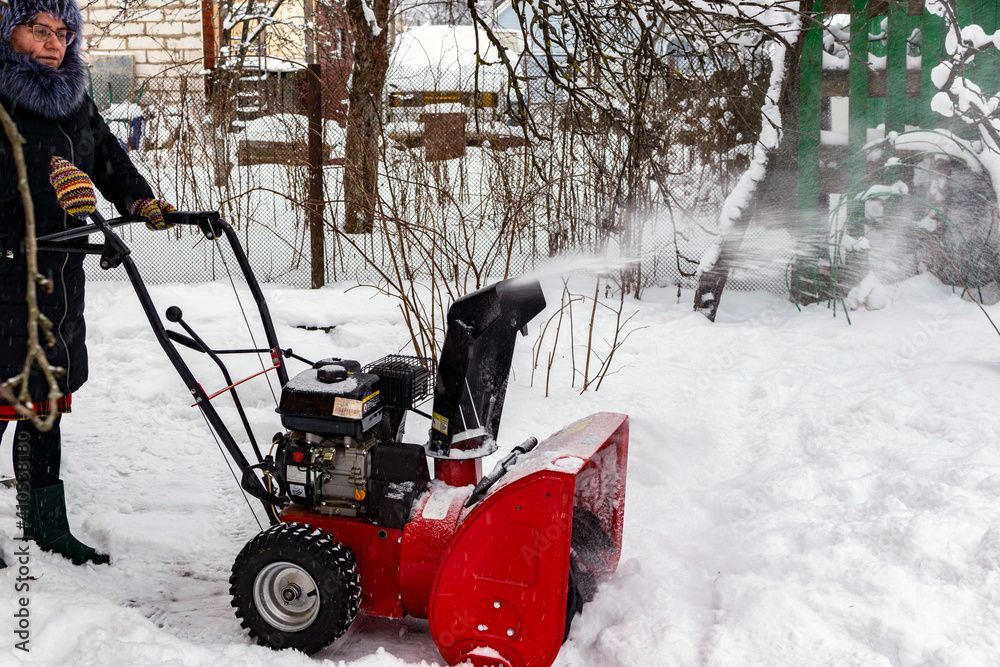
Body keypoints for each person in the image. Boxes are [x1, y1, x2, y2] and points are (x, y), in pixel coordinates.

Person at [0, 0, 175, 567]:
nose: (54, 42)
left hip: (58, 275)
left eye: (63, 32)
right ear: (11, 32)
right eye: (39, 30)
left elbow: (109, 158)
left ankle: (48, 527)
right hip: (4, 273)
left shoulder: (74, 97)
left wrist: (139, 199)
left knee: (43, 405)